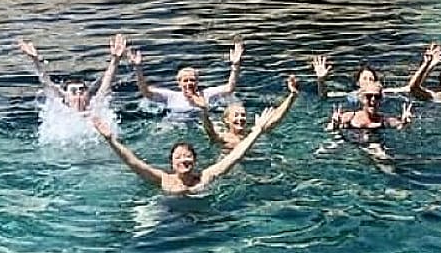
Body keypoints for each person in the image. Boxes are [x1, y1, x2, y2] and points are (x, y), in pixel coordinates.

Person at [92, 108, 275, 195]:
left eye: (187, 156)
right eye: (178, 157)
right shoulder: (163, 179)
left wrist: (257, 130)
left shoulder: (206, 176)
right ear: (172, 163)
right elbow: (133, 163)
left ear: (194, 160)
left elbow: (235, 156)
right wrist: (110, 139)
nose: (183, 160)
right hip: (166, 213)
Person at [128, 40, 244, 118]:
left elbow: (230, 88)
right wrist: (138, 68)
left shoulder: (206, 95)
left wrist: (236, 65)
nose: (189, 83)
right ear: (179, 83)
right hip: (174, 125)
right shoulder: (170, 96)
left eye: (192, 80)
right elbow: (145, 92)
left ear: (197, 82)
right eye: (186, 80)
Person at [18, 34, 126, 112]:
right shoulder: (60, 115)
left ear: (88, 95)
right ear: (66, 97)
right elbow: (47, 84)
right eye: (74, 91)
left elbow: (105, 85)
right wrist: (35, 60)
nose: (79, 95)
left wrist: (115, 60)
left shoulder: (95, 109)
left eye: (82, 91)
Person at [195, 75, 299, 150]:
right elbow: (209, 129)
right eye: (236, 116)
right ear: (226, 120)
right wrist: (204, 110)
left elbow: (275, 118)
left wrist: (292, 96)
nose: (240, 119)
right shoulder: (223, 138)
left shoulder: (252, 132)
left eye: (243, 115)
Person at [328, 81, 415, 132]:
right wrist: (334, 124)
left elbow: (401, 128)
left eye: (377, 97)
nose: (373, 100)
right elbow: (329, 129)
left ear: (381, 99)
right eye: (369, 96)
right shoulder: (350, 117)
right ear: (361, 98)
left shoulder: (386, 120)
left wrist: (406, 123)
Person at [312, 55, 408, 101]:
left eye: (371, 79)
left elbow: (408, 88)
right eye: (365, 78)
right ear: (358, 83)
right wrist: (321, 79)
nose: (368, 82)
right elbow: (323, 96)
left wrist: (423, 66)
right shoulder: (351, 96)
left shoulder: (382, 94)